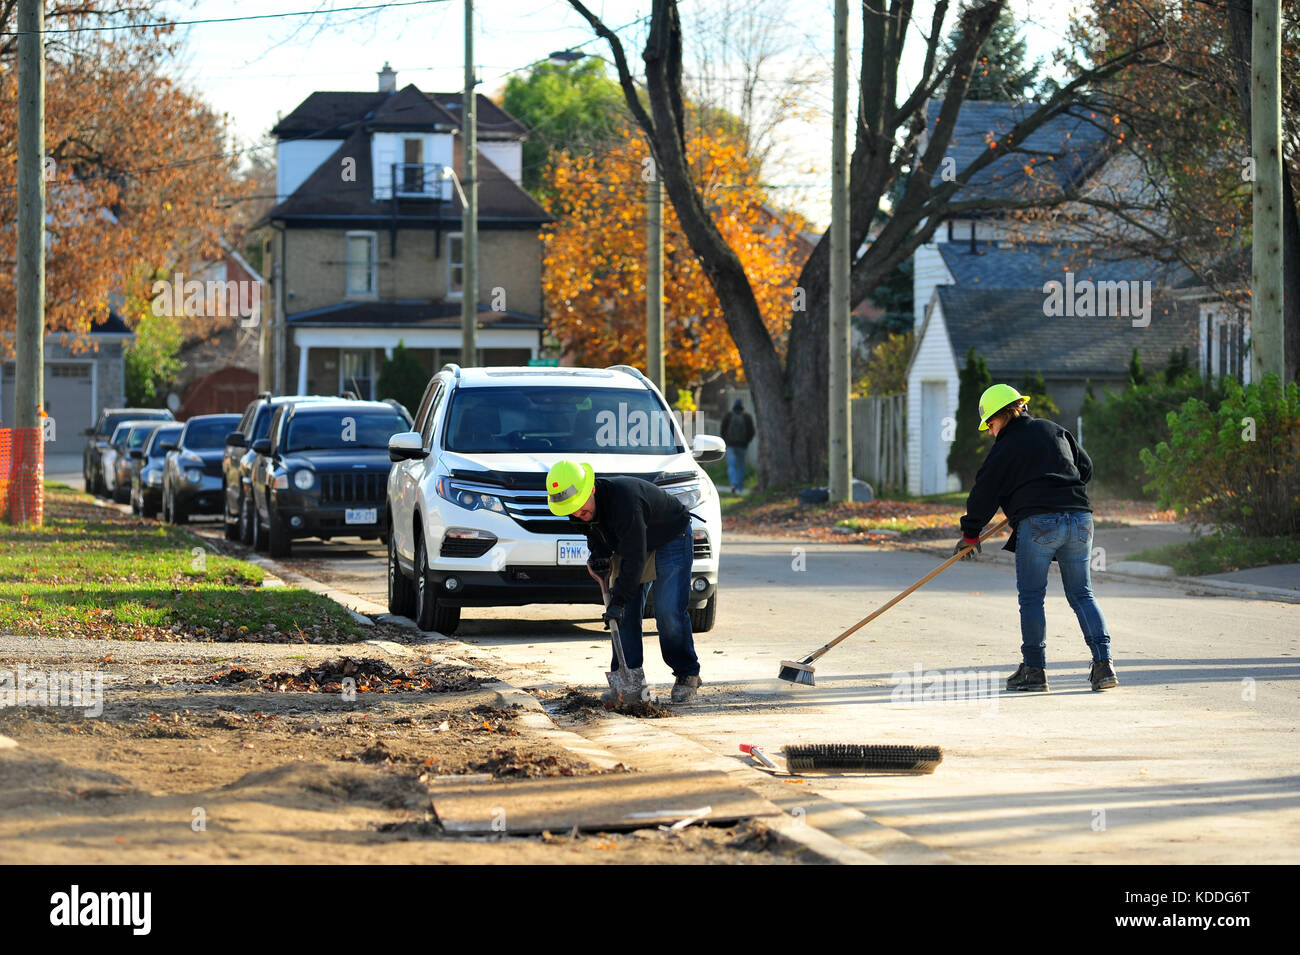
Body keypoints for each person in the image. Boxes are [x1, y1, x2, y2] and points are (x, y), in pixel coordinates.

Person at [955, 383, 1117, 693]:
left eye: (989, 423)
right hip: (1080, 520)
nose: (990, 431)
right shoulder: (1055, 430)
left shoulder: (1004, 447)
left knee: (1031, 597)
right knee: (1082, 593)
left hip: (1039, 524)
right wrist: (1057, 491)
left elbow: (983, 494)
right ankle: (1104, 665)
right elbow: (1085, 467)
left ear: (1003, 415)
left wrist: (970, 534)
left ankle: (1034, 669)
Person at [545, 460, 703, 703]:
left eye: (579, 506)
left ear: (592, 489)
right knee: (625, 614)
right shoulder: (580, 513)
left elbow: (634, 557)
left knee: (667, 610)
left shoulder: (624, 502)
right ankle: (629, 683)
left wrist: (617, 600)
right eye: (570, 509)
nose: (577, 513)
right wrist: (598, 555)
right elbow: (595, 535)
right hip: (634, 542)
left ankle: (687, 673)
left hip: (670, 535)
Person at [720, 399, 755, 494]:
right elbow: (751, 432)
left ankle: (733, 483)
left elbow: (722, 430)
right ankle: (740, 488)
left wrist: (726, 441)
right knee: (741, 466)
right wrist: (746, 442)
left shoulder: (728, 416)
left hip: (731, 446)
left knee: (731, 466)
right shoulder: (747, 417)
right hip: (742, 446)